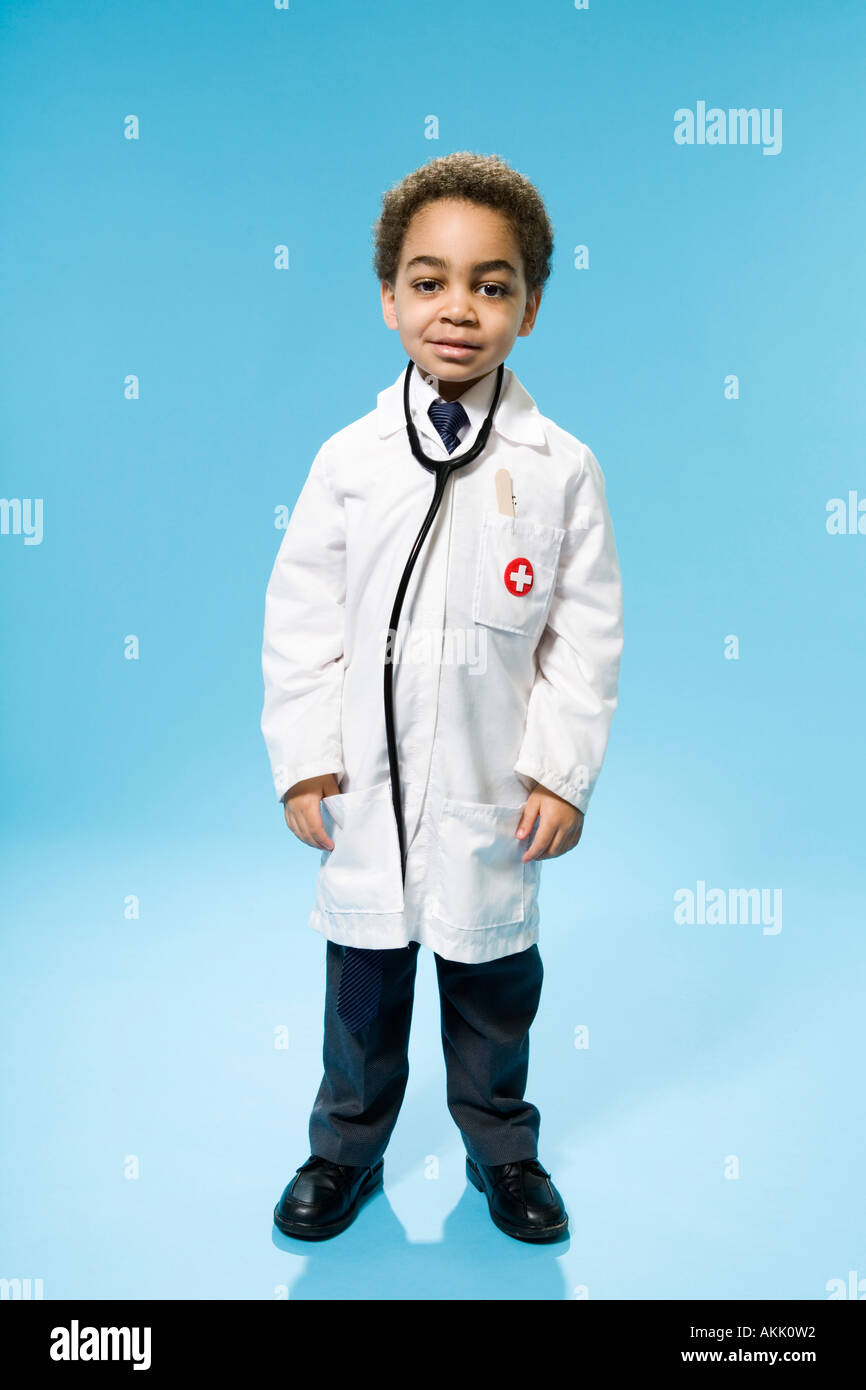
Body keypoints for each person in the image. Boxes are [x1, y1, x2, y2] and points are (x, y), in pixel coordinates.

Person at [260, 151, 624, 1244]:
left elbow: (585, 633)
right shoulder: (350, 460)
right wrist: (306, 759)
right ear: (386, 298)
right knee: (361, 1001)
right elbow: (301, 623)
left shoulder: (559, 468)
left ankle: (500, 1152)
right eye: (428, 281)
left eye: (490, 283)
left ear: (530, 306)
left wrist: (558, 773)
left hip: (488, 793)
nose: (456, 308)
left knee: (491, 994)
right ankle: (344, 1152)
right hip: (368, 796)